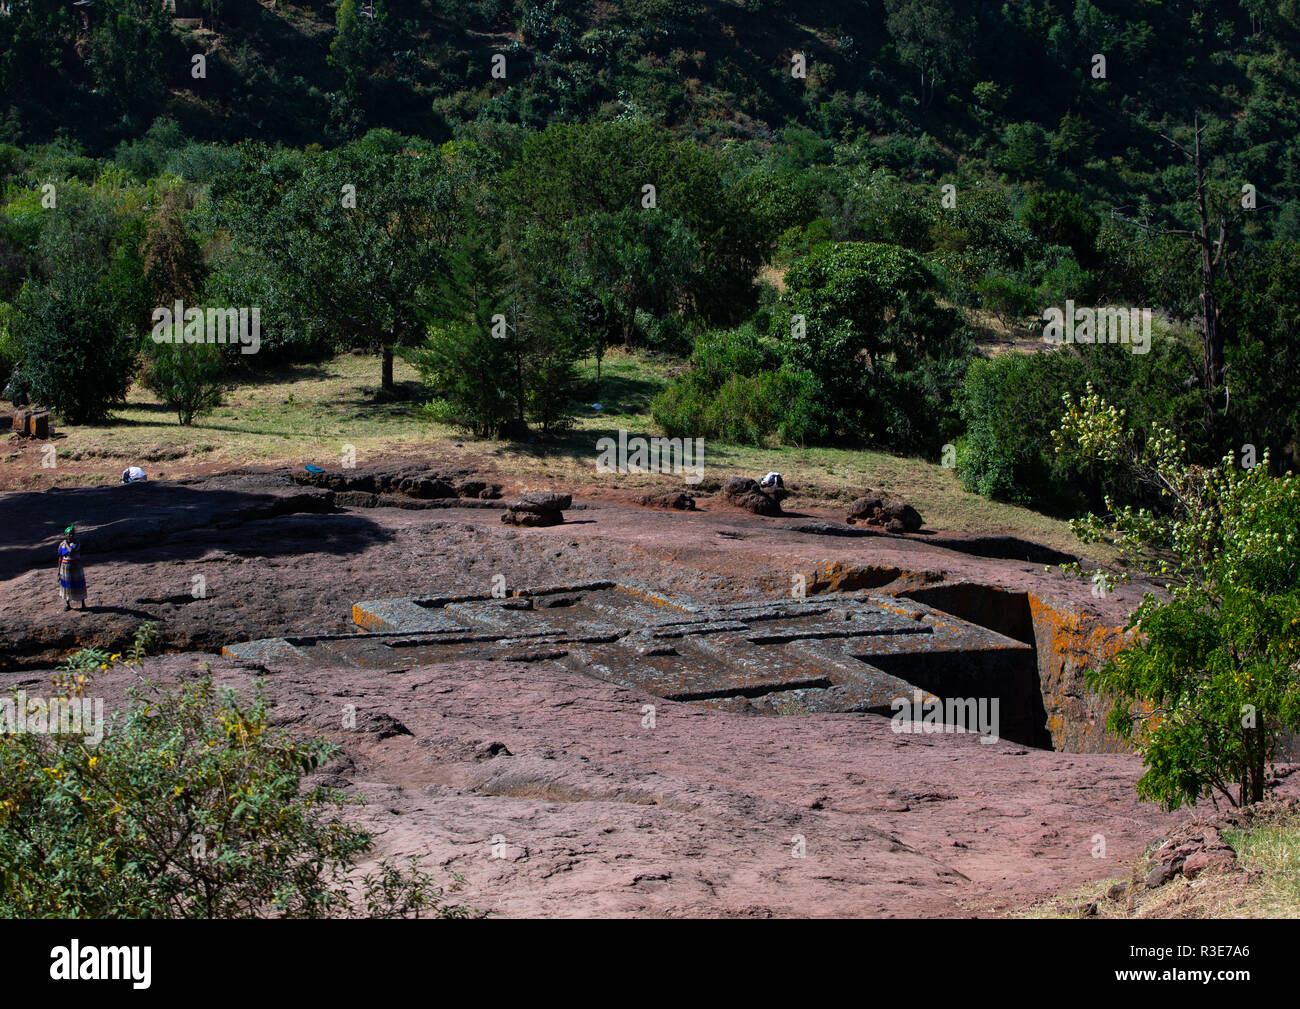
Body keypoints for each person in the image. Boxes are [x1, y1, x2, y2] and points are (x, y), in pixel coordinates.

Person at [58, 525, 87, 611]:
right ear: (65, 534)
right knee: (66, 585)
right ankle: (68, 604)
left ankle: (83, 603)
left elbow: (70, 551)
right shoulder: (61, 545)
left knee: (79, 584)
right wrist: (58, 571)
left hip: (76, 566)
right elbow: (60, 557)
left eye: (72, 534)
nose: (71, 536)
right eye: (69, 534)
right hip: (65, 567)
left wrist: (66, 543)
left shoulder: (76, 543)